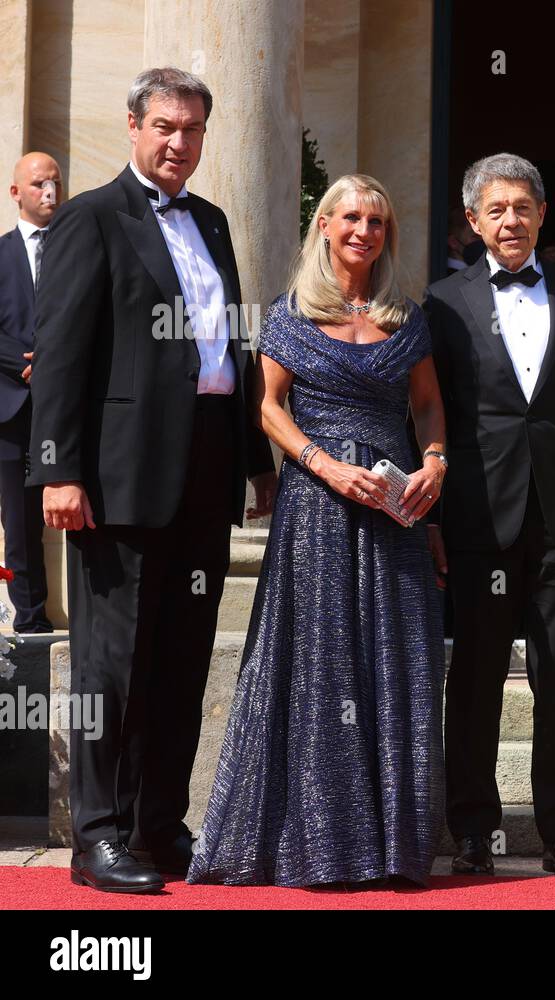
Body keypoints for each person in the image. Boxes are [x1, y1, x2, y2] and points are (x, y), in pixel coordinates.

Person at [28, 67, 276, 894]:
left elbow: (230, 351)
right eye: (165, 126)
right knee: (111, 664)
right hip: (117, 475)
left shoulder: (210, 219)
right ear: (133, 125)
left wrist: (254, 460)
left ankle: (158, 826)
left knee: (180, 661)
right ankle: (97, 836)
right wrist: (58, 470)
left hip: (207, 467)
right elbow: (59, 353)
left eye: (193, 129)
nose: (179, 143)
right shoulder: (90, 217)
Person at [188, 174, 447, 888]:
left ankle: (392, 849)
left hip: (394, 509)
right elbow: (267, 408)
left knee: (393, 660)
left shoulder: (406, 315)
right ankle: (323, 847)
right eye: (353, 218)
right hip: (319, 507)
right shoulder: (289, 313)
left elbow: (426, 405)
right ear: (325, 225)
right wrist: (324, 467)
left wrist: (435, 463)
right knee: (322, 661)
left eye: (378, 221)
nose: (366, 230)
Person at [422, 152, 555, 877]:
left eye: (523, 207)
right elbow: (431, 415)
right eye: (495, 209)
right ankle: (473, 831)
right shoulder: (443, 303)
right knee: (477, 680)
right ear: (473, 222)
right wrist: (432, 519)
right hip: (479, 520)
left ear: (543, 215)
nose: (510, 219)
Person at [0, 152, 62, 634]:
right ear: (16, 192)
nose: (50, 192)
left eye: (56, 182)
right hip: (11, 408)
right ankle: (30, 618)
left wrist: (55, 364)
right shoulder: (0, 255)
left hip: (67, 406)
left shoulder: (78, 249)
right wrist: (28, 366)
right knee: (19, 520)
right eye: (39, 183)